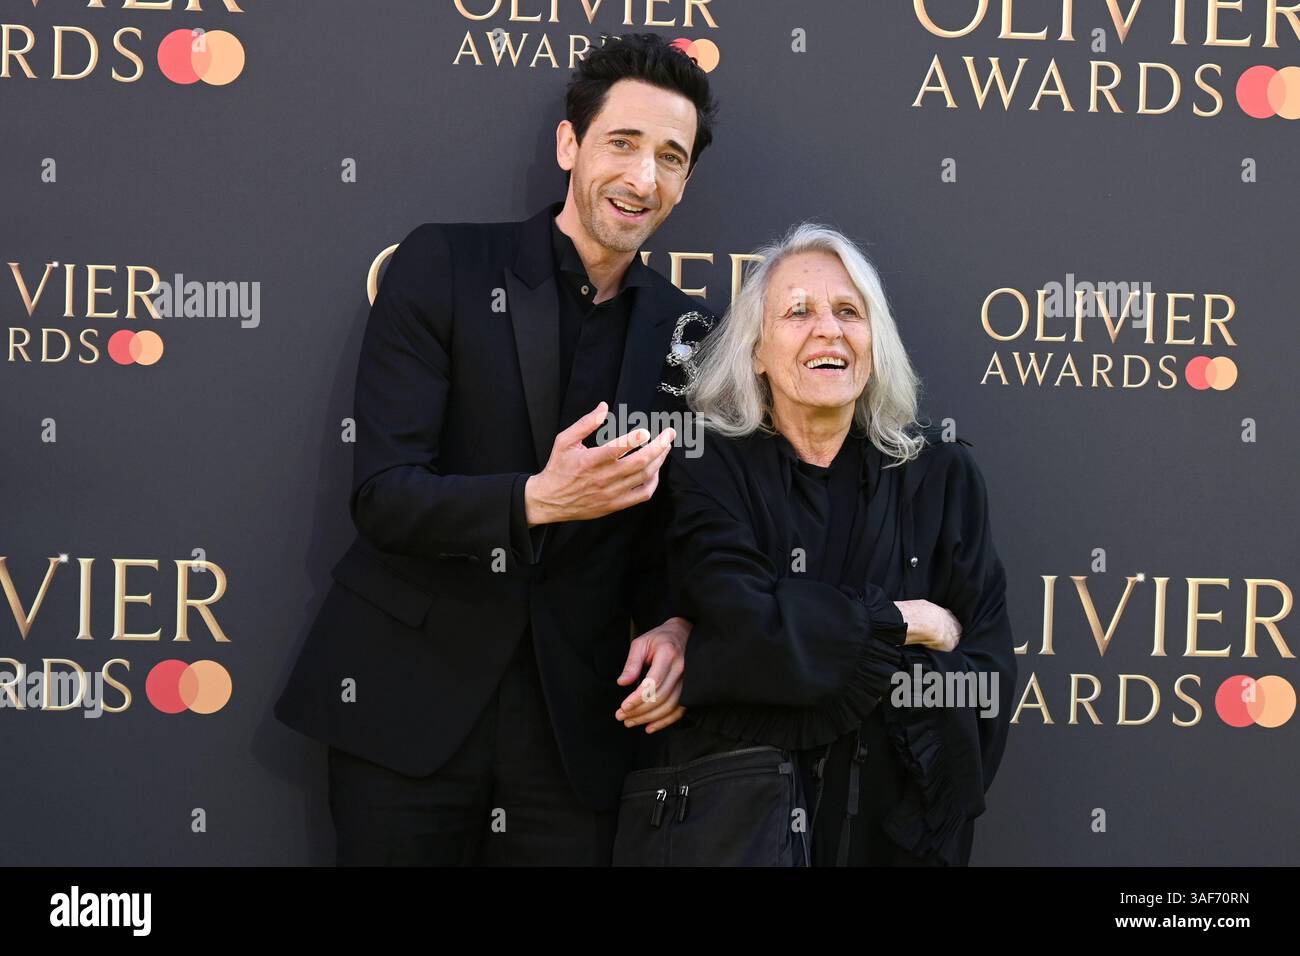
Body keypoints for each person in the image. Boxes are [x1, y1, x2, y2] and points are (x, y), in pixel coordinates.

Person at [273, 34, 719, 865]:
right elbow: (384, 495)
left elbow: (676, 537)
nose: (642, 178)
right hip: (405, 705)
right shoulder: (440, 264)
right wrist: (538, 499)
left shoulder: (691, 332)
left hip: (578, 729)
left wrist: (680, 622)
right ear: (568, 144)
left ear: (686, 179)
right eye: (622, 143)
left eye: (670, 157)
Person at [636, 221, 1017, 866]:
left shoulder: (943, 476)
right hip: (740, 832)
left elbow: (983, 679)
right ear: (756, 351)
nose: (829, 330)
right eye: (798, 312)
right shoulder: (710, 468)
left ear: (875, 342)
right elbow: (749, 627)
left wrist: (806, 656)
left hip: (898, 833)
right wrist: (902, 624)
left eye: (849, 312)